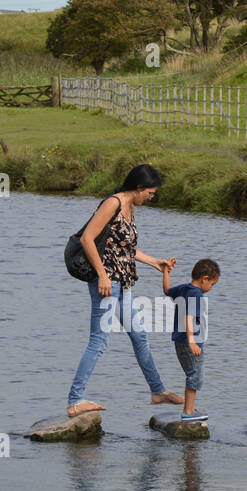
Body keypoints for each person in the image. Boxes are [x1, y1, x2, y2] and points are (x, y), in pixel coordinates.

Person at [66, 164, 184, 418]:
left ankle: (157, 391)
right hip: (107, 284)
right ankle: (75, 400)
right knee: (99, 341)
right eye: (150, 193)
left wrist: (156, 262)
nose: (151, 198)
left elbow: (125, 249)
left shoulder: (130, 208)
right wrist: (101, 275)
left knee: (139, 335)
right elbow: (87, 238)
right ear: (139, 187)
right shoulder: (113, 203)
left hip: (123, 282)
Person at [163, 258, 220, 422]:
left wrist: (165, 273)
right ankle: (188, 411)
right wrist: (192, 341)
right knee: (195, 374)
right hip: (189, 341)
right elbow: (189, 316)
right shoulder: (196, 293)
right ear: (205, 279)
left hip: (179, 340)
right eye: (212, 284)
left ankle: (191, 408)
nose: (211, 288)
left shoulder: (183, 288)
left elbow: (167, 290)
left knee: (192, 373)